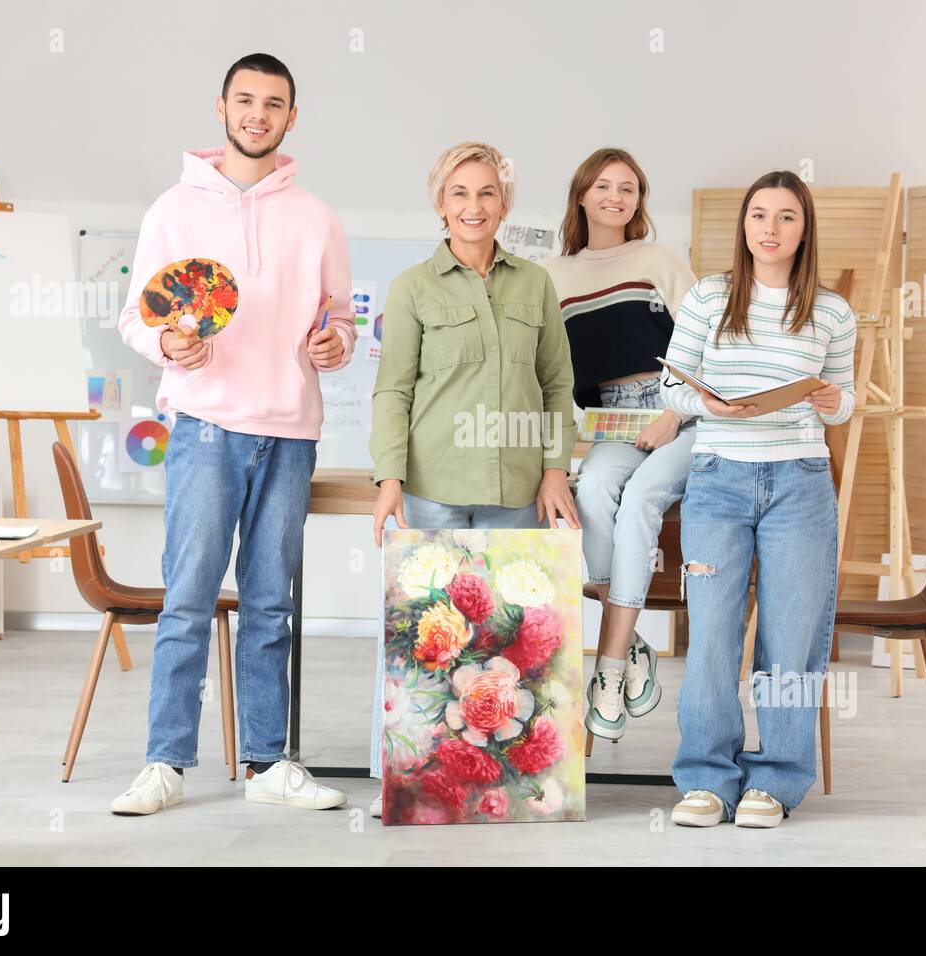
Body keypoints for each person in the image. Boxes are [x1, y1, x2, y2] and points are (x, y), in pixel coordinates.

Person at [111, 53, 356, 815]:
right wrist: (168, 345)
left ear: (291, 118)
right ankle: (164, 764)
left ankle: (266, 763)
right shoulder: (171, 210)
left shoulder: (316, 217)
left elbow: (341, 322)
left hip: (290, 433)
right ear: (221, 109)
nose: (258, 113)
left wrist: (336, 346)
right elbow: (134, 319)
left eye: (273, 103)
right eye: (245, 100)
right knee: (187, 598)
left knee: (270, 604)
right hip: (206, 428)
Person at [367, 141, 579, 817]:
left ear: (505, 203)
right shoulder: (412, 288)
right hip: (432, 484)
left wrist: (554, 470)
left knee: (505, 645)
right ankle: (404, 780)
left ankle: (499, 787)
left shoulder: (534, 284)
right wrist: (389, 479)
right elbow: (393, 390)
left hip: (515, 489)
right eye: (459, 193)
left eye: (487, 192)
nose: (474, 206)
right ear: (440, 202)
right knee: (421, 640)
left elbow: (556, 385)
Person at [661, 170, 855, 829]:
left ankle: (774, 781)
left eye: (786, 218)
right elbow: (671, 385)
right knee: (712, 634)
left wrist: (834, 401)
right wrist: (704, 401)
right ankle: (708, 781)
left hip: (799, 483)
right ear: (743, 227)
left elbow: (841, 399)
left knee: (790, 638)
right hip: (718, 478)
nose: (770, 229)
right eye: (759, 216)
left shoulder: (831, 312)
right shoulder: (710, 297)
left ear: (805, 231)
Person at [543, 147, 698, 742]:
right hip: (610, 420)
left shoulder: (659, 258)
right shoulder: (555, 276)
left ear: (639, 199)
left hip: (681, 410)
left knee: (638, 503)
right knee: (593, 494)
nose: (615, 196)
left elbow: (702, 344)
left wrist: (671, 411)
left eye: (628, 187)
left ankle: (607, 670)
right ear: (581, 195)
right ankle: (630, 645)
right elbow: (554, 371)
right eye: (603, 185)